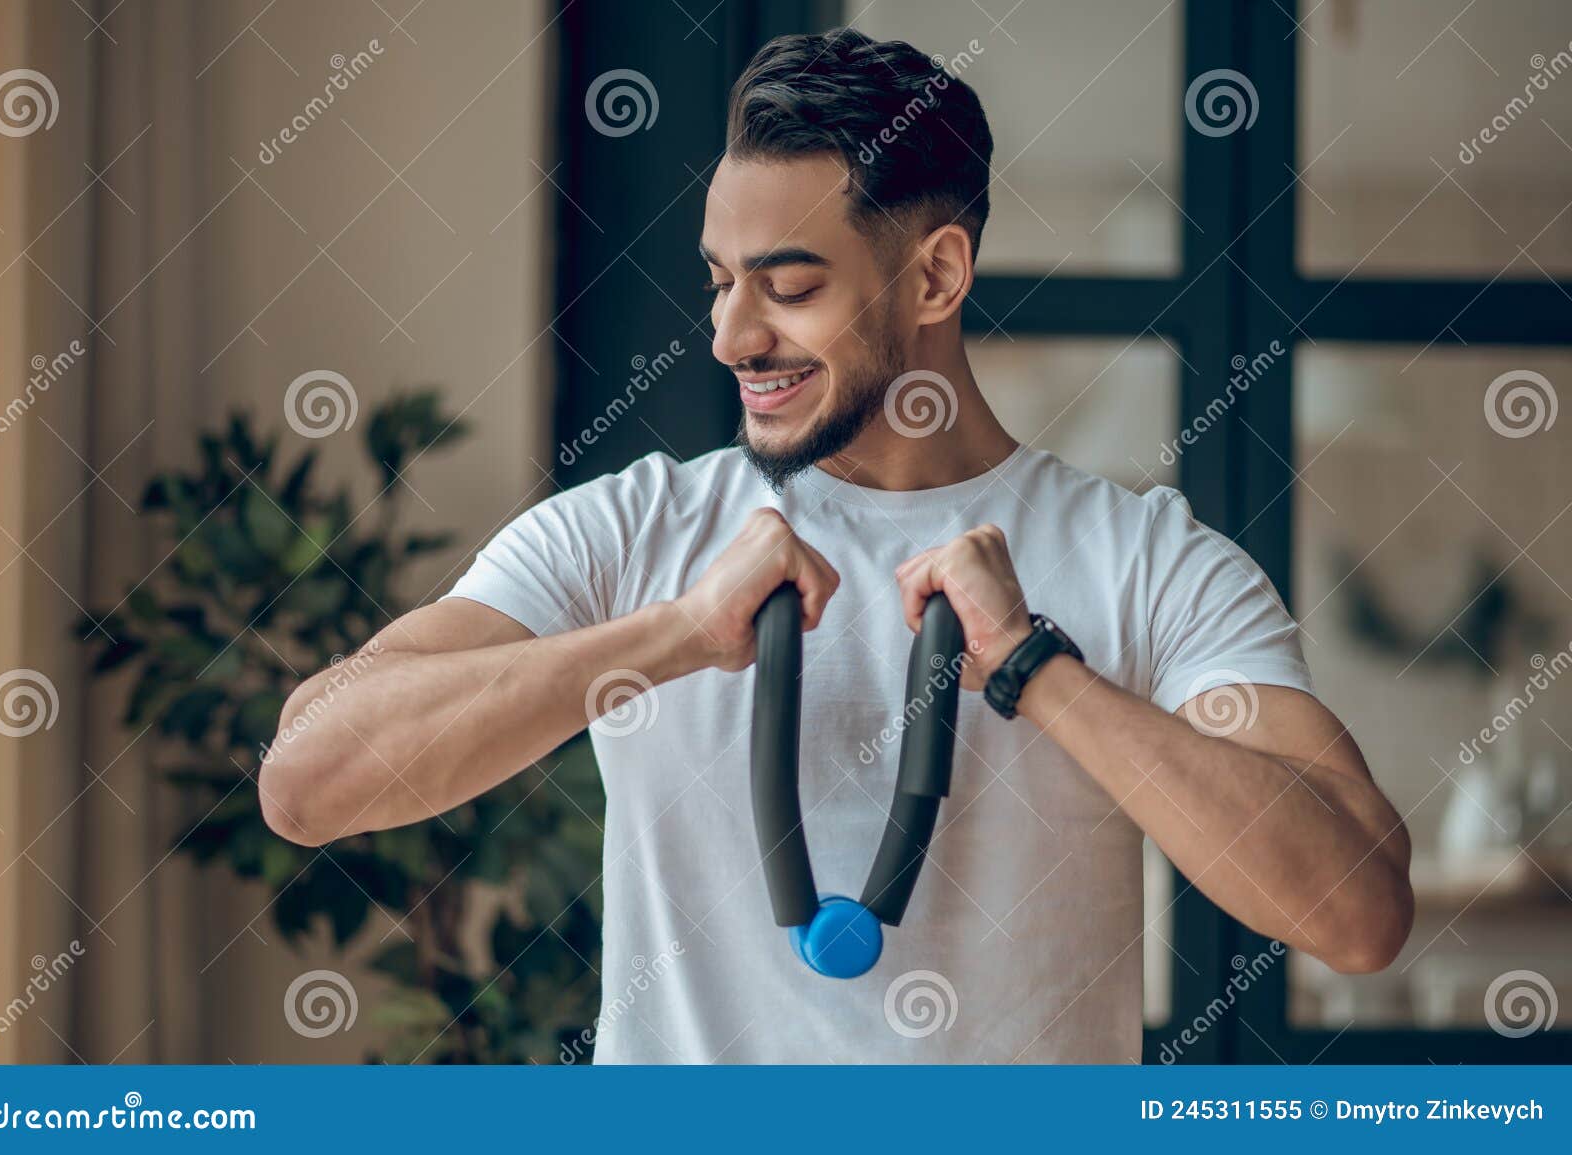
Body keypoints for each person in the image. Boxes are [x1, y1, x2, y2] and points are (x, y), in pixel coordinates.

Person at [260, 28, 1412, 1063]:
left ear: (935, 276)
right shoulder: (628, 530)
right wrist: (671, 635)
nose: (729, 336)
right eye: (717, 283)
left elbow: (1356, 914)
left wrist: (1035, 668)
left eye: (789, 287)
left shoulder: (1148, 562)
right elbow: (307, 782)